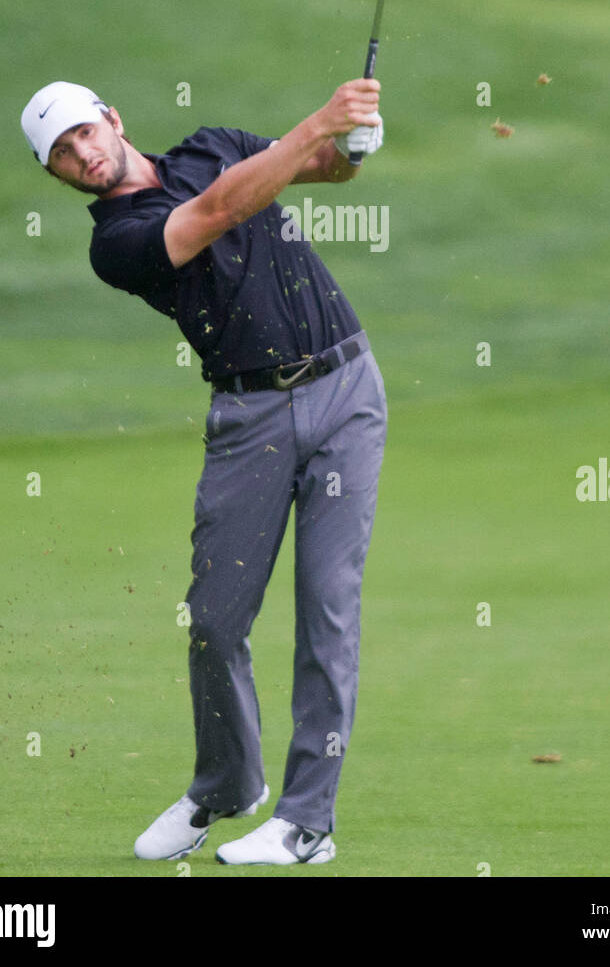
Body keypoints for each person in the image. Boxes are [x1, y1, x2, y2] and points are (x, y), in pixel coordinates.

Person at [20, 78, 388, 866]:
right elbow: (219, 211)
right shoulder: (115, 241)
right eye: (61, 154)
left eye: (85, 132)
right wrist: (317, 120)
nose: (82, 154)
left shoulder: (213, 144)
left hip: (346, 388)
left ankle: (305, 823)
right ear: (54, 175)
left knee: (328, 611)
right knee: (215, 622)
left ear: (114, 121)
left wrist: (351, 145)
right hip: (248, 416)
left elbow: (316, 168)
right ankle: (226, 786)